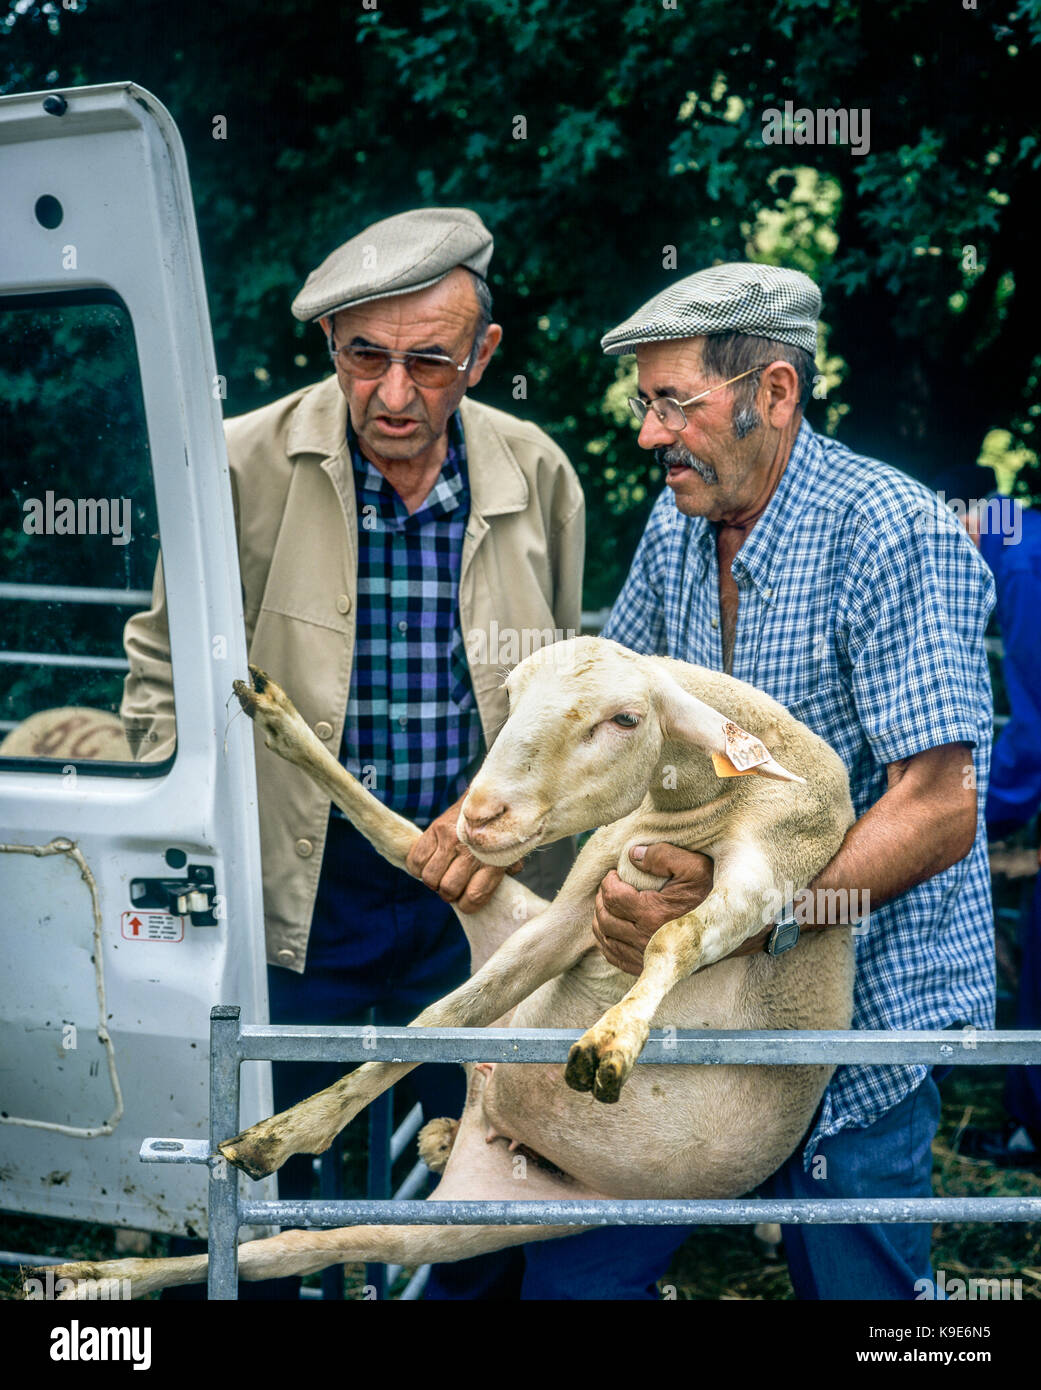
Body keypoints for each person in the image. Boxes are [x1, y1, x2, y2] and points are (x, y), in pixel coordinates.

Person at [121, 207, 583, 1299]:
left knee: (485, 1171)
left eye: (430, 360)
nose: (392, 394)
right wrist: (191, 832)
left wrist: (526, 850)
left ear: (484, 352)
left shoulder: (538, 474)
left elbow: (561, 698)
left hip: (475, 890)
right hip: (301, 891)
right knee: (278, 1158)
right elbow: (160, 665)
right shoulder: (244, 464)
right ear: (330, 344)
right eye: (363, 355)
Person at [582, 262, 996, 1299]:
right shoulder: (677, 523)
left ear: (775, 392)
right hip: (701, 1000)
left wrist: (749, 919)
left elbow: (940, 806)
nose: (648, 435)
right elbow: (615, 723)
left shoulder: (887, 526)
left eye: (674, 402)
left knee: (859, 1290)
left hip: (857, 1014)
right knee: (580, 1263)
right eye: (644, 404)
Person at [958, 499, 1041, 1167]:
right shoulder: (1023, 543)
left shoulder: (1017, 564)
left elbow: (1036, 719)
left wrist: (977, 819)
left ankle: (1031, 1130)